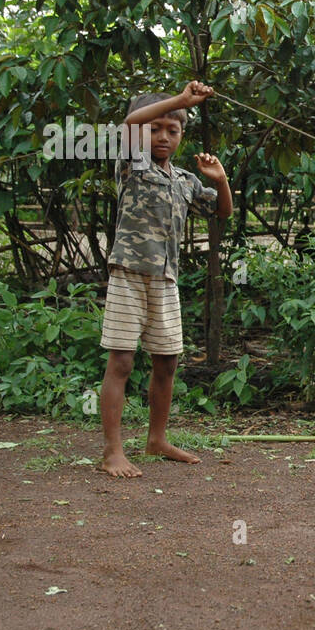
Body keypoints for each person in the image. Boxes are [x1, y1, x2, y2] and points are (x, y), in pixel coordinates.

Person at [98, 82, 232, 478]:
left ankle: (156, 439)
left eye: (172, 130)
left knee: (167, 362)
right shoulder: (132, 163)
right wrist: (180, 101)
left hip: (165, 279)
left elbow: (222, 212)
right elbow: (127, 124)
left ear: (182, 135)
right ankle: (112, 452)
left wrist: (221, 179)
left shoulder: (186, 179)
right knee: (121, 362)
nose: (162, 136)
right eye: (154, 128)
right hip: (128, 274)